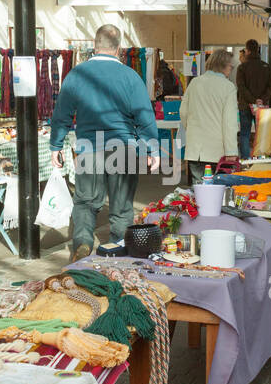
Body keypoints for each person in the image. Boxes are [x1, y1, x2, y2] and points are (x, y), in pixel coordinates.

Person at [50, 24, 158, 261]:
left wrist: (56, 146)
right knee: (121, 208)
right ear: (119, 49)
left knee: (86, 202)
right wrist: (153, 149)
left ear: (94, 46)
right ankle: (118, 250)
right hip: (125, 148)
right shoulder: (131, 77)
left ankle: (83, 244)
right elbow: (144, 115)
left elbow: (62, 114)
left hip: (89, 148)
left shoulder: (77, 74)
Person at [179, 49, 238, 185]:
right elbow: (229, 123)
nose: (231, 70)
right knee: (217, 193)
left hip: (196, 149)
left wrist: (193, 128)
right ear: (224, 65)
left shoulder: (194, 83)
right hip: (217, 150)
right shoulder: (228, 87)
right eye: (231, 66)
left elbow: (183, 111)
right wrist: (231, 150)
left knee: (199, 192)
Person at [235, 40, 271, 159]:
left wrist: (252, 100)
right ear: (257, 50)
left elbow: (241, 87)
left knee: (245, 134)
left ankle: (246, 160)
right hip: (262, 107)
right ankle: (260, 158)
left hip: (245, 106)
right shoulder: (266, 67)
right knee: (262, 134)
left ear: (247, 51)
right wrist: (261, 100)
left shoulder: (242, 67)